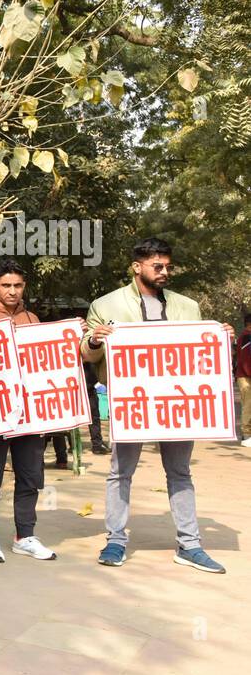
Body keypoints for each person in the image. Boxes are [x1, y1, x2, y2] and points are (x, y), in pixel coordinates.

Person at [82, 238, 236, 573]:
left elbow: (200, 352)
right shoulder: (106, 305)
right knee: (120, 472)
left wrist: (219, 335)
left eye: (168, 266)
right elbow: (86, 353)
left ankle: (190, 545)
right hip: (132, 404)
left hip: (177, 404)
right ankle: (116, 541)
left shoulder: (187, 306)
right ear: (137, 267)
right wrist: (95, 340)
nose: (165, 272)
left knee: (180, 472)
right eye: (158, 266)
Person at [0, 260, 59, 563]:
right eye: (6, 285)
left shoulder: (32, 318)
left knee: (31, 474)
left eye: (18, 285)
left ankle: (25, 535)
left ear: (24, 287)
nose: (13, 291)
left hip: (29, 414)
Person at [237, 312, 251, 447]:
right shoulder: (247, 337)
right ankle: (246, 435)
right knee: (248, 405)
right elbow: (247, 360)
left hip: (246, 375)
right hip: (246, 376)